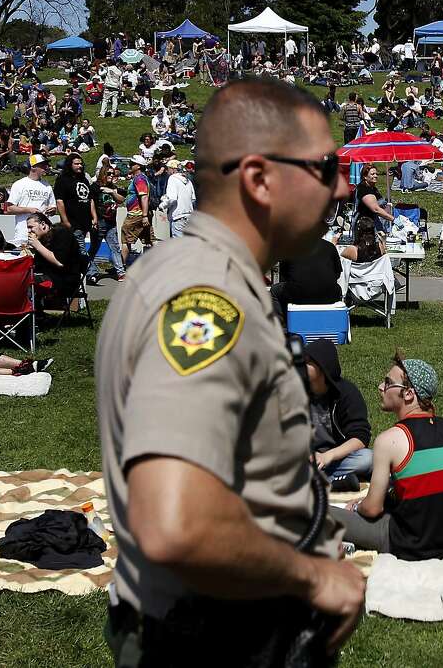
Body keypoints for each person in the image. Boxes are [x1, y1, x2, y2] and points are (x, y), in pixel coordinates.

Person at [95, 78, 363, 663]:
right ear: (260, 178)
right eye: (325, 167)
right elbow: (176, 523)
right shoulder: (204, 297)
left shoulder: (209, 278)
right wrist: (313, 578)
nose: (344, 187)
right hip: (216, 639)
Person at [329, 355, 443, 560]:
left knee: (317, 510)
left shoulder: (390, 440)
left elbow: (373, 510)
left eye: (387, 383)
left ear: (409, 394)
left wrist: (360, 505)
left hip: (412, 544)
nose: (380, 387)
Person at [304, 341, 372, 483]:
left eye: (307, 362)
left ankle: (319, 481)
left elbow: (360, 438)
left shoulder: (346, 393)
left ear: (322, 368)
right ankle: (334, 481)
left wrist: (328, 456)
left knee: (368, 458)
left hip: (336, 460)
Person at [271, 237, 344, 325]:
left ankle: (281, 324)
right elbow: (337, 273)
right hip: (328, 293)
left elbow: (284, 274)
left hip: (298, 294)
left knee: (274, 291)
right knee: (338, 289)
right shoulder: (330, 246)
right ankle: (334, 320)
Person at [53, 153, 100, 285]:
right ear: (70, 165)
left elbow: (90, 199)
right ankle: (92, 272)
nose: (79, 166)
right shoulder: (63, 180)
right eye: (76, 163)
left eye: (81, 163)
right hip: (72, 221)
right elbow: (60, 202)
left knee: (76, 249)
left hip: (86, 221)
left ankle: (74, 272)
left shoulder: (84, 179)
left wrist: (94, 216)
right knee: (80, 248)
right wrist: (66, 221)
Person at [26, 212, 84, 308]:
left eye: (31, 227)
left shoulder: (62, 233)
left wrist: (38, 246)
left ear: (43, 225)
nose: (29, 231)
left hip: (65, 279)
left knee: (25, 282)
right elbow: (38, 265)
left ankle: (33, 314)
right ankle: (32, 314)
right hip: (48, 276)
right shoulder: (43, 239)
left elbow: (59, 262)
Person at [6, 155, 57, 246]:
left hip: (44, 234)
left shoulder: (47, 186)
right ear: (33, 167)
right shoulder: (19, 184)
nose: (46, 167)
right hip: (24, 233)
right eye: (42, 165)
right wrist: (30, 210)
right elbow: (9, 209)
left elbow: (53, 207)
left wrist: (52, 210)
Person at [93, 165, 127, 282]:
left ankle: (121, 273)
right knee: (93, 249)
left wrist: (112, 192)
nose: (111, 176)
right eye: (109, 173)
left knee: (115, 248)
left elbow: (121, 200)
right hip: (99, 221)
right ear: (102, 174)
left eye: (113, 174)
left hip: (111, 223)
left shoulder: (113, 187)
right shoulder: (96, 187)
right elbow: (90, 203)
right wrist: (94, 219)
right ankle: (89, 271)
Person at [120, 154, 155, 263]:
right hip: (142, 214)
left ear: (138, 166)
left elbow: (143, 196)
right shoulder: (142, 178)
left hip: (136, 214)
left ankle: (121, 268)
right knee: (149, 240)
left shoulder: (139, 179)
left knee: (126, 240)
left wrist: (144, 216)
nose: (130, 166)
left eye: (132, 164)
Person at [162, 158, 196, 238]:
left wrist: (163, 204)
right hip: (189, 215)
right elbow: (193, 199)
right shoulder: (188, 180)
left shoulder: (172, 178)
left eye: (168, 169)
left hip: (178, 216)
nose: (166, 171)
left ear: (173, 169)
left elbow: (172, 199)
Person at [355, 165, 394, 231]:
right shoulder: (363, 189)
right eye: (372, 174)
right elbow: (376, 209)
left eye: (376, 174)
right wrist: (393, 219)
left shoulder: (373, 188)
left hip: (376, 223)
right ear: (365, 176)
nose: (376, 176)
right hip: (366, 226)